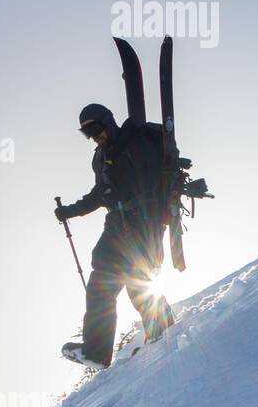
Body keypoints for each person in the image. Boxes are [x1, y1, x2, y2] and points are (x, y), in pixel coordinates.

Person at [56, 104, 175, 368]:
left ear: (108, 122)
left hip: (142, 221)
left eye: (96, 129)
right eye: (87, 134)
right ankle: (97, 351)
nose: (94, 136)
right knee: (102, 283)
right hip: (117, 225)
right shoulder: (100, 157)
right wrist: (71, 210)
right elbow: (99, 194)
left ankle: (163, 331)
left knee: (138, 280)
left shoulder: (135, 143)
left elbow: (148, 180)